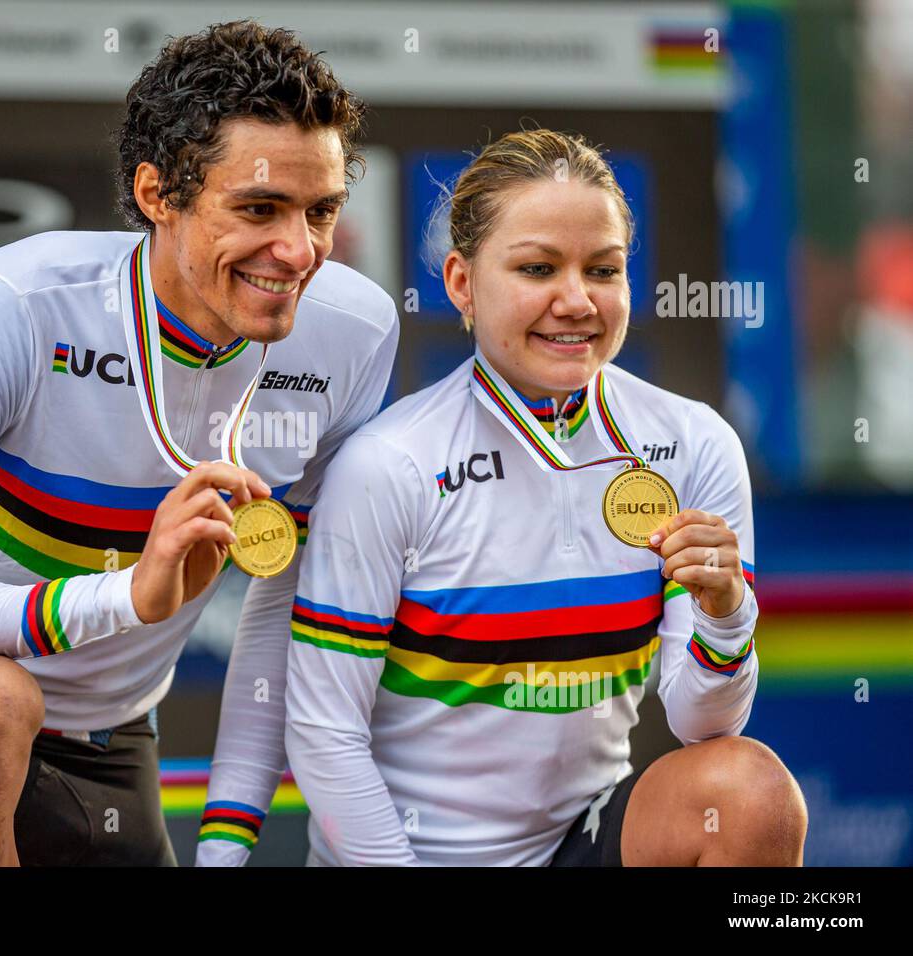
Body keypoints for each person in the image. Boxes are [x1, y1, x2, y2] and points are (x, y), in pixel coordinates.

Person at [0, 19, 398, 866]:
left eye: (320, 211)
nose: (298, 251)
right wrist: (121, 598)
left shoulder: (352, 332)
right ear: (156, 193)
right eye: (258, 209)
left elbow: (285, 606)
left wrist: (226, 839)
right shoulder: (17, 303)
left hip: (105, 746)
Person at [284, 129, 808, 866]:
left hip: (577, 841)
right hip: (409, 855)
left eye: (604, 270)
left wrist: (726, 615)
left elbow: (701, 720)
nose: (575, 301)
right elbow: (323, 734)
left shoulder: (694, 443)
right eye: (537, 268)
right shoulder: (390, 464)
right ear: (461, 283)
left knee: (750, 796)